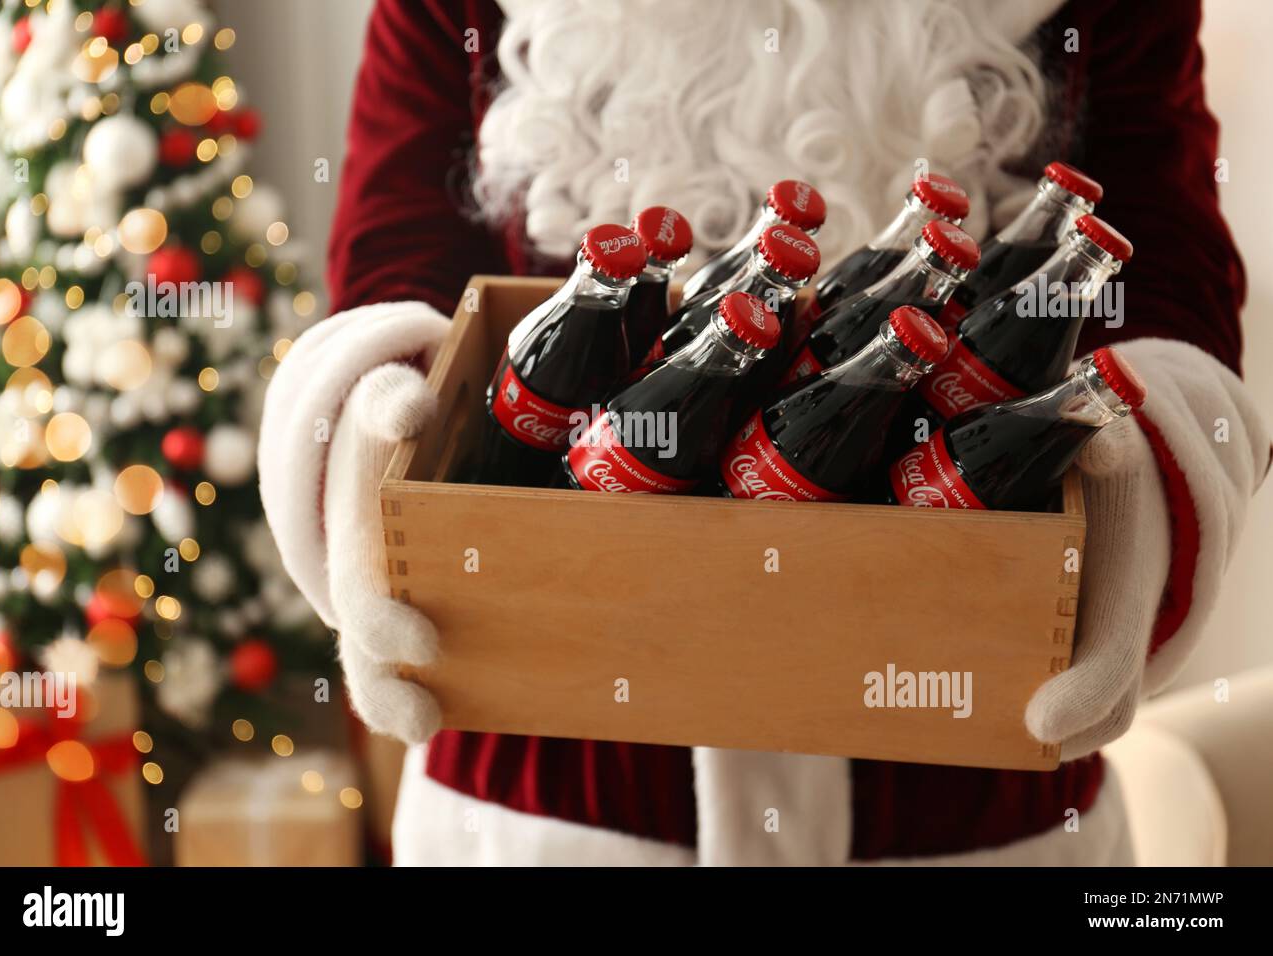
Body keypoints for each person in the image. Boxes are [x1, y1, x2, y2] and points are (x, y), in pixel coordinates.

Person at [259, 0, 1269, 865]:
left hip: (970, 798)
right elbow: (394, 255)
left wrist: (1149, 464)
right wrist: (367, 431)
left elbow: (1167, 269)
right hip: (548, 802)